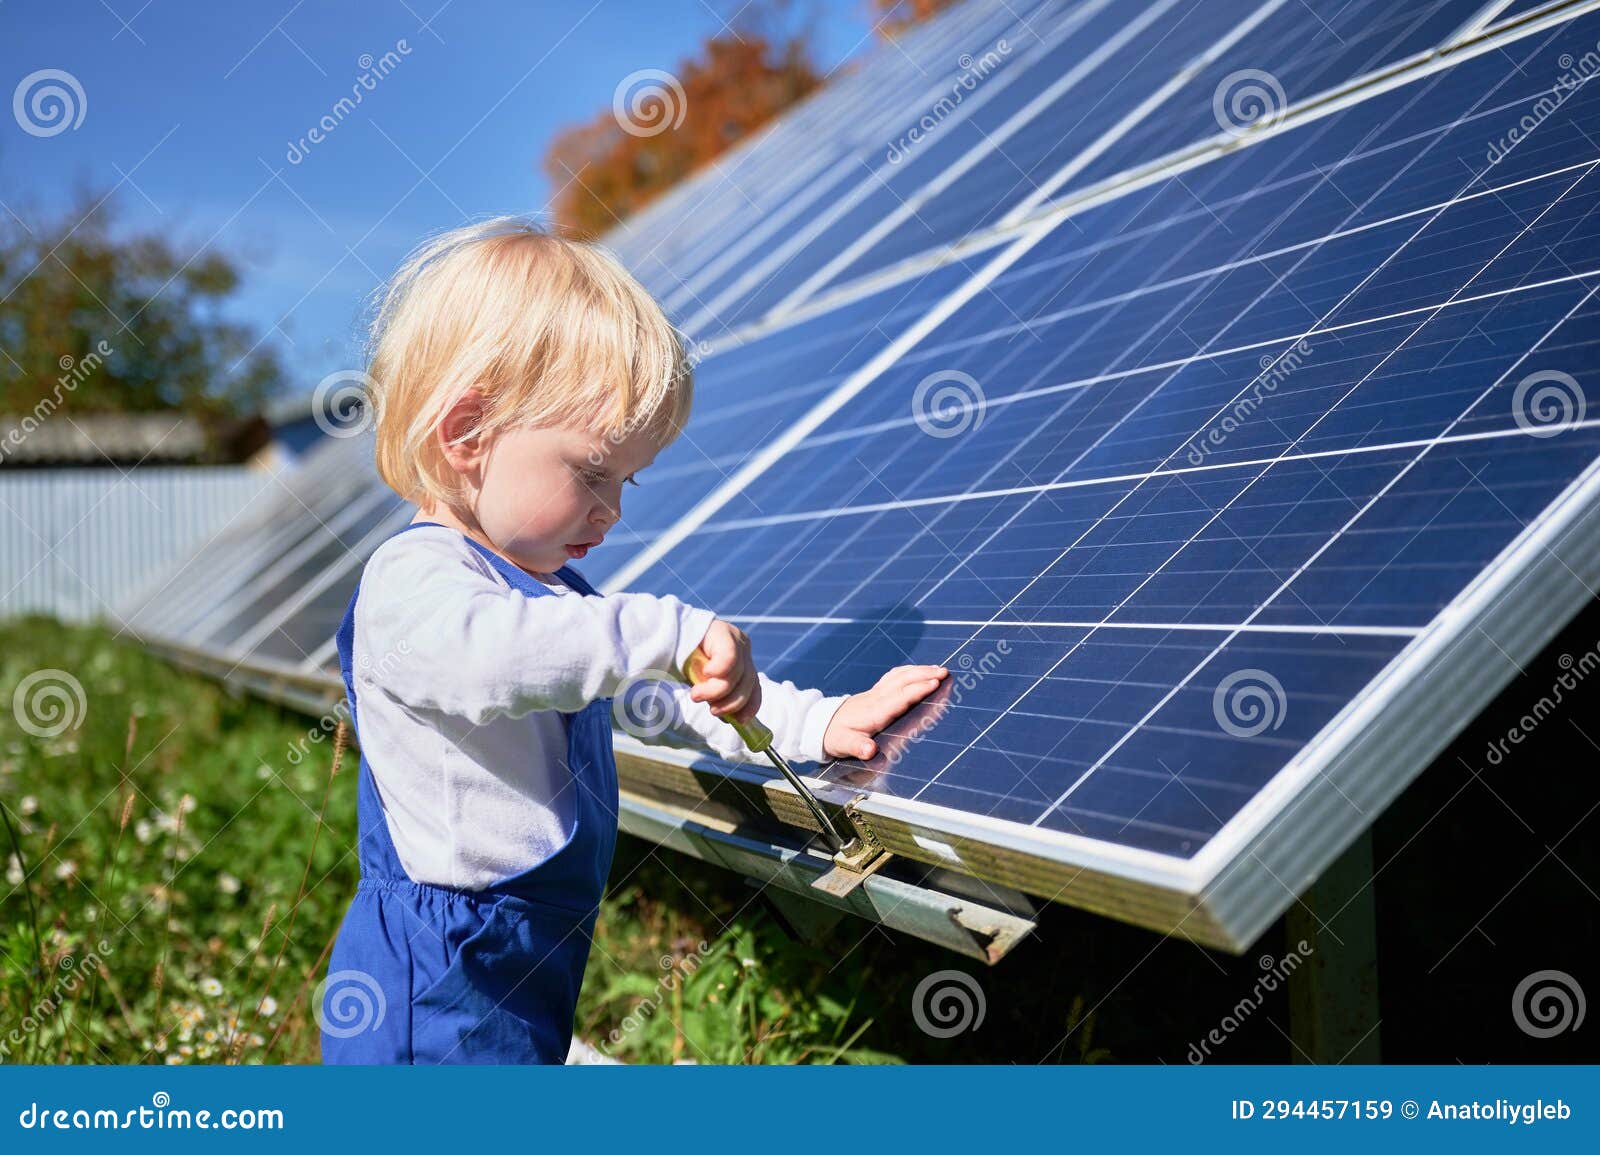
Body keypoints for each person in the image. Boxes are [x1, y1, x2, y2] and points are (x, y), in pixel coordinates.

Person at [318, 216, 948, 1064]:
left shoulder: (552, 599)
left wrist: (813, 722)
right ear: (466, 435)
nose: (613, 511)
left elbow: (666, 700)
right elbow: (495, 660)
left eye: (626, 481)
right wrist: (669, 627)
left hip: (517, 953)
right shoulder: (417, 585)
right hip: (434, 976)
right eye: (591, 472)